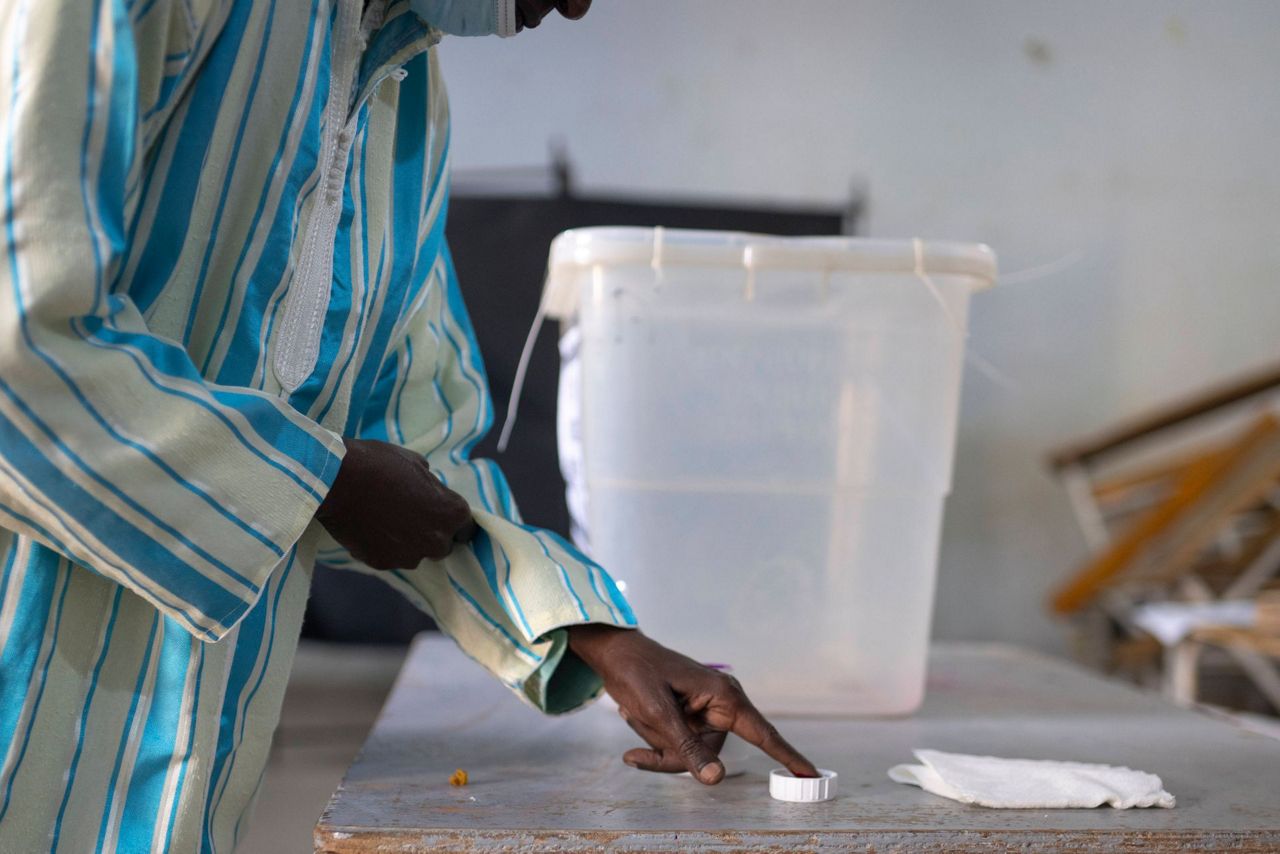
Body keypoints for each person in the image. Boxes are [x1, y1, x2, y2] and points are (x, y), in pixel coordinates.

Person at [0, 0, 816, 850]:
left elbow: (414, 447)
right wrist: (317, 482)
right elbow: (19, 358)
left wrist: (595, 634)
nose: (579, 5)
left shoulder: (399, 95)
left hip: (176, 779)